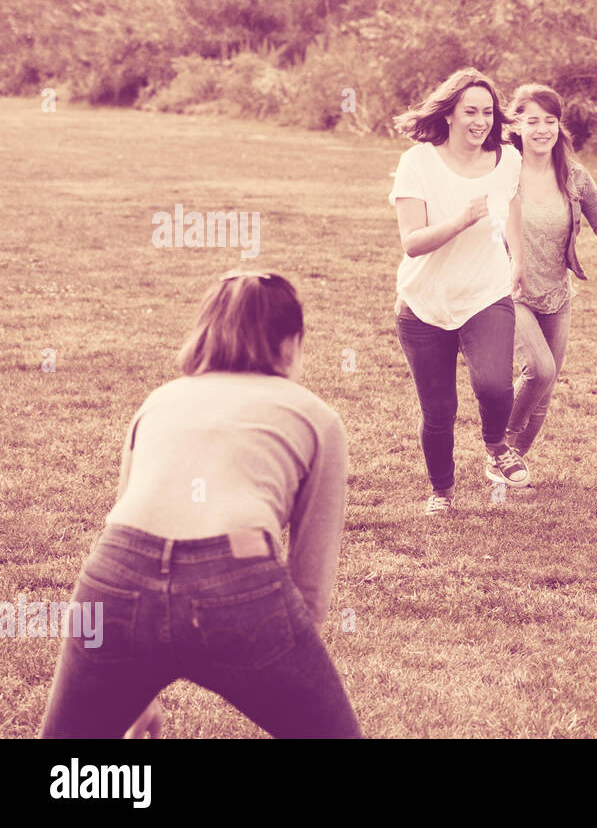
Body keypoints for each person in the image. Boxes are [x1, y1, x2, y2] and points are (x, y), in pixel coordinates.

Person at [40, 271, 361, 738]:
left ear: (206, 331)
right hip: (238, 577)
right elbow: (309, 593)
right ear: (292, 342)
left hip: (114, 577)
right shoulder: (317, 418)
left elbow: (137, 540)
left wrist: (133, 694)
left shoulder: (159, 401)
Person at [391, 69, 530, 514]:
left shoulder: (507, 158)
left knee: (493, 383)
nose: (480, 120)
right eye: (470, 111)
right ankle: (442, 493)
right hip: (423, 302)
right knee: (439, 411)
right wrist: (460, 220)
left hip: (485, 293)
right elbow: (412, 243)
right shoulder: (418, 162)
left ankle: (495, 444)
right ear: (448, 114)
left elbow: (510, 206)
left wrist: (519, 260)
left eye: (487, 112)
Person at [505, 83, 597, 468]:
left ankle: (510, 464)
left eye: (549, 120)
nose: (542, 129)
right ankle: (500, 447)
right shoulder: (501, 172)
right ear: (518, 125)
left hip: (557, 295)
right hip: (510, 290)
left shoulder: (575, 177)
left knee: (544, 392)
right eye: (532, 121)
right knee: (539, 370)